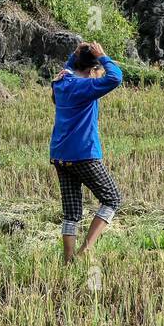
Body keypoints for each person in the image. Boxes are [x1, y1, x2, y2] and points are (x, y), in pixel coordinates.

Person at [50, 41, 124, 263]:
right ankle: (86, 249)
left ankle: (68, 260)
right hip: (83, 155)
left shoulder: (60, 82)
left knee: (71, 212)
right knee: (112, 198)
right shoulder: (86, 87)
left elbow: (71, 69)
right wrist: (103, 56)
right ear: (93, 70)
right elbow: (115, 77)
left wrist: (74, 57)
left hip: (60, 155)